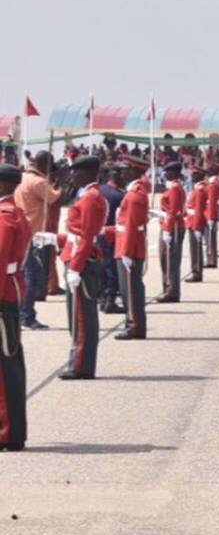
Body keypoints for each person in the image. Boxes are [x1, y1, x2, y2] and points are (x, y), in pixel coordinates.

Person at [59, 156, 107, 381]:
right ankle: (80, 362)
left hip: (82, 261)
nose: (73, 177)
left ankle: (80, 365)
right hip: (77, 253)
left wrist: (75, 268)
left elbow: (86, 236)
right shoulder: (89, 195)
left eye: (76, 173)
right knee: (79, 315)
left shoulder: (90, 198)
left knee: (81, 316)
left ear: (87, 173)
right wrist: (55, 239)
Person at [13, 151, 66, 329]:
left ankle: (22, 313)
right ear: (45, 164)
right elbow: (56, 199)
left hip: (21, 230)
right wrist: (64, 181)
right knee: (32, 275)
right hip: (32, 233)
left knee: (24, 274)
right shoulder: (39, 182)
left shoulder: (23, 177)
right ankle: (26, 316)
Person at [0, 164, 31, 450]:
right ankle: (12, 430)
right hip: (11, 290)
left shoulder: (5, 217)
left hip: (3, 294)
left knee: (4, 366)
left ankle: (7, 431)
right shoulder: (16, 213)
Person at [113, 157, 151, 341]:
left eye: (126, 169)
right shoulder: (134, 192)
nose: (122, 172)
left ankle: (134, 325)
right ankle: (133, 322)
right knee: (129, 288)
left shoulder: (134, 194)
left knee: (130, 289)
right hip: (127, 243)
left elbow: (131, 224)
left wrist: (126, 252)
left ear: (135, 171)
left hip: (129, 247)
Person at [97, 164, 125, 313]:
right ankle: (110, 300)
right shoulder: (119, 195)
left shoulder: (98, 191)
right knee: (112, 268)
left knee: (101, 267)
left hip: (98, 234)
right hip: (112, 235)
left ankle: (102, 297)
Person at [157, 162, 186, 302]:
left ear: (174, 173)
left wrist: (167, 230)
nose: (166, 174)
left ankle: (171, 291)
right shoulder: (174, 187)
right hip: (170, 224)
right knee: (167, 260)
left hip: (172, 227)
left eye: (168, 172)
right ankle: (169, 289)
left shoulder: (174, 188)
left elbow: (173, 211)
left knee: (170, 260)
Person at [185, 169, 208, 283]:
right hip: (192, 220)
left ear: (200, 176)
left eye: (194, 174)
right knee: (194, 248)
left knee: (195, 249)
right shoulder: (198, 188)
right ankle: (196, 270)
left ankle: (196, 271)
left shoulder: (199, 190)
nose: (192, 176)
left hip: (195, 221)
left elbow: (199, 209)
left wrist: (197, 227)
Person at [204, 165, 219, 268]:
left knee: (210, 240)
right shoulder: (214, 183)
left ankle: (211, 260)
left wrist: (210, 217)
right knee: (210, 239)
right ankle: (211, 259)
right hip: (211, 213)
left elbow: (211, 202)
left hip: (210, 214)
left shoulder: (212, 185)